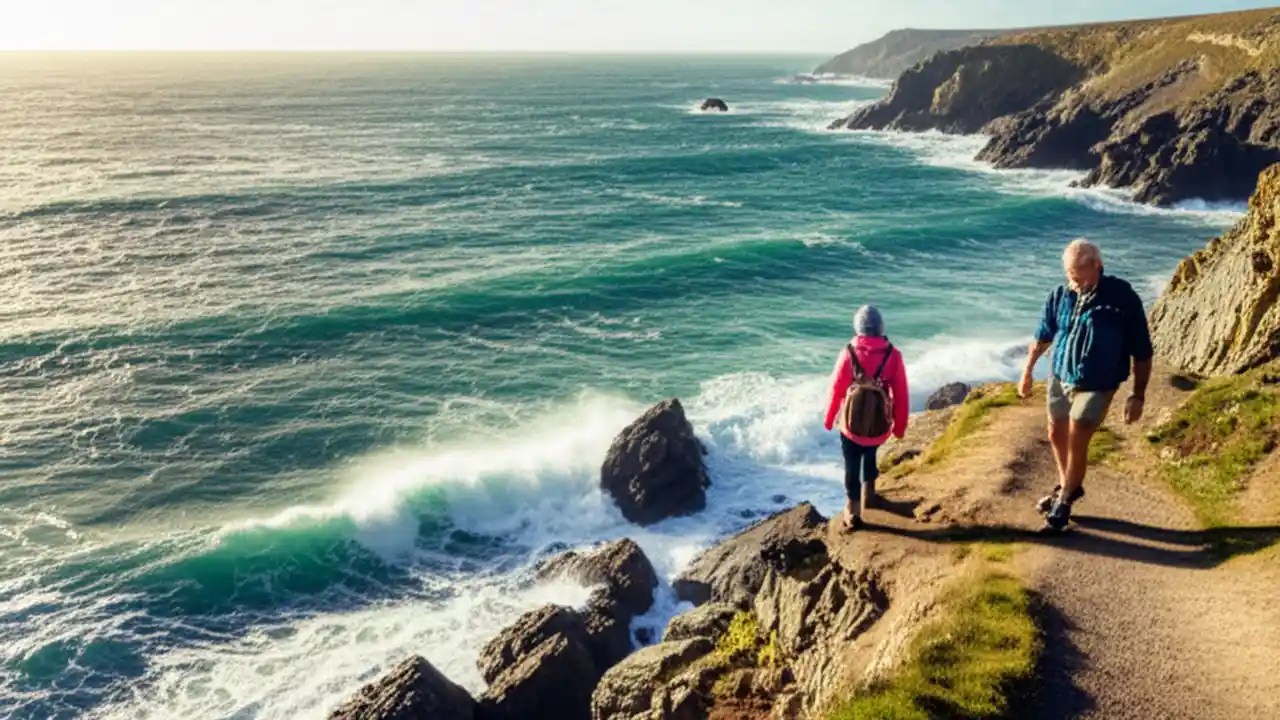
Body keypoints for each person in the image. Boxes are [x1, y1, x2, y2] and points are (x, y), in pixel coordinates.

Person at [1018, 239, 1154, 531]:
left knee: (1079, 430)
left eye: (1078, 273)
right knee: (1056, 432)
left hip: (1100, 381)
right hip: (1060, 374)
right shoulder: (1060, 295)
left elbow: (1142, 349)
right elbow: (1043, 336)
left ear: (1098, 266)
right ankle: (1070, 483)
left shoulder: (1122, 297)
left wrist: (1138, 395)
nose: (1073, 280)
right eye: (1069, 273)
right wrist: (1027, 372)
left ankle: (1064, 499)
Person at [824, 305, 909, 531]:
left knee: (851, 466)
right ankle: (869, 493)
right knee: (870, 455)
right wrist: (900, 426)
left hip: (851, 425)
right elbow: (901, 393)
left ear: (858, 327)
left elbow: (837, 388)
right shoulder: (893, 355)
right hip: (878, 426)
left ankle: (852, 511)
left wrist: (829, 417)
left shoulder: (849, 353)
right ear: (881, 328)